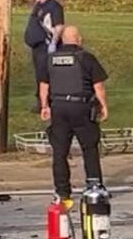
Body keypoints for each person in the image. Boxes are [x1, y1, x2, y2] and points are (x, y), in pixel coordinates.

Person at [39, 26, 108, 201]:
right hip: (81, 108)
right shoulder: (86, 58)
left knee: (60, 151)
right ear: (78, 39)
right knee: (89, 147)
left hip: (59, 108)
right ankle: (94, 185)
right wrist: (103, 105)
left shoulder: (50, 59)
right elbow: (98, 86)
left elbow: (44, 85)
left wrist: (45, 105)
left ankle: (62, 191)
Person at [25, 0, 65, 113]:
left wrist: (53, 43)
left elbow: (58, 26)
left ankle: (48, 103)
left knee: (45, 75)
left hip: (46, 46)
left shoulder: (54, 7)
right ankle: (41, 101)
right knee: (39, 75)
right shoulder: (38, 6)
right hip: (37, 47)